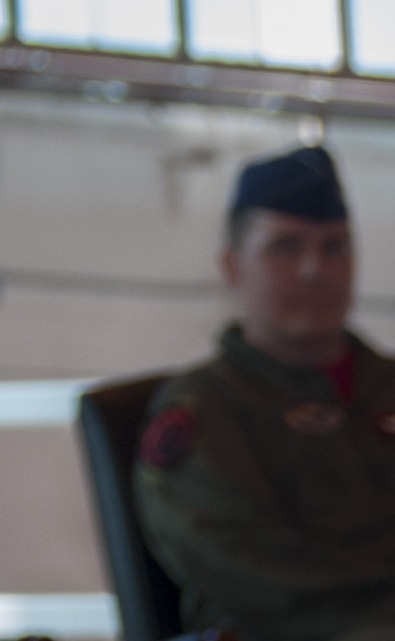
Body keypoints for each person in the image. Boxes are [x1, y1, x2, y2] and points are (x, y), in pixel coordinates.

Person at [136, 143, 395, 641]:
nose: (313, 270)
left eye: (334, 247)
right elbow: (244, 567)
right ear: (232, 266)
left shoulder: (386, 386)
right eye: (286, 246)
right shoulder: (205, 410)